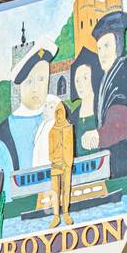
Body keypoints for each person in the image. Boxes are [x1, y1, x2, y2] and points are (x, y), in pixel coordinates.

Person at [0, 42, 58, 201]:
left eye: (41, 79)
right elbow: (4, 186)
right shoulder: (5, 131)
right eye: (29, 81)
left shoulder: (58, 118)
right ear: (20, 85)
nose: (36, 88)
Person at [83, 10, 127, 178]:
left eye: (106, 46)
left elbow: (122, 121)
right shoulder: (106, 77)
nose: (102, 53)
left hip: (120, 162)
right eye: (99, 48)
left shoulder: (123, 68)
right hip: (107, 164)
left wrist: (98, 135)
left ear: (118, 44)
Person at [70, 47, 103, 156]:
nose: (80, 84)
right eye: (77, 80)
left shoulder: (102, 108)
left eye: (85, 78)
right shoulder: (73, 116)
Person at [47, 96, 74, 227]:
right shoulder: (52, 131)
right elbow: (50, 151)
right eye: (56, 114)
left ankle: (66, 213)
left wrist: (66, 163)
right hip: (55, 165)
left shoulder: (69, 129)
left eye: (60, 113)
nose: (58, 116)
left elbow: (70, 148)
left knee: (66, 189)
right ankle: (56, 216)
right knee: (55, 191)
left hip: (66, 166)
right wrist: (54, 159)